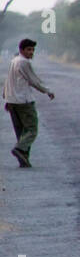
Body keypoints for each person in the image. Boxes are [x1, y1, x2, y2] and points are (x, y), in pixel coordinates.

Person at [4, 38, 55, 168]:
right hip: (24, 100)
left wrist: (6, 98)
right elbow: (34, 81)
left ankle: (24, 159)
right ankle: (20, 149)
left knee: (21, 132)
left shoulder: (14, 61)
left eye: (32, 50)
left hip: (12, 101)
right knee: (32, 129)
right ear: (21, 50)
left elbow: (7, 81)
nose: (31, 52)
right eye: (28, 50)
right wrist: (47, 91)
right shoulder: (23, 62)